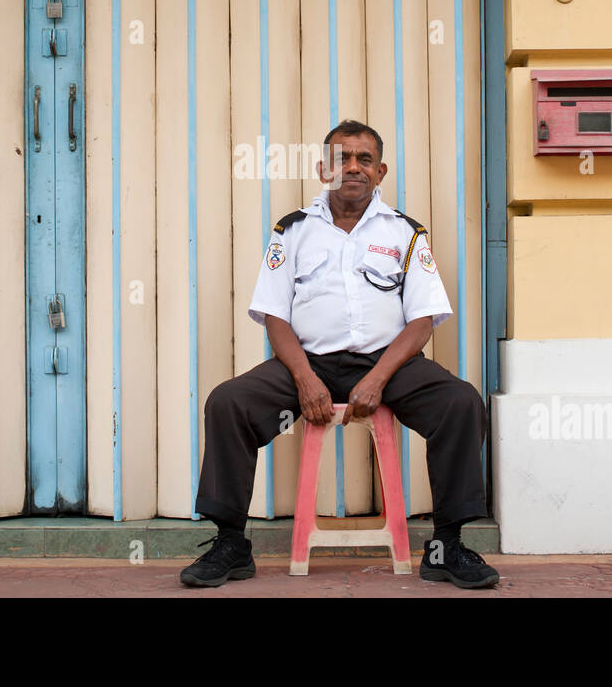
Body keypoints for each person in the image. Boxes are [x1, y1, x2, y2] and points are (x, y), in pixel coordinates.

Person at [180, 119, 499, 589]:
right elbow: (275, 315)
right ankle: (231, 543)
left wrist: (377, 380)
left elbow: (422, 320)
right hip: (308, 362)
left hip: (389, 364)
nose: (352, 167)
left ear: (381, 171)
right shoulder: (292, 232)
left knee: (461, 402)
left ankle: (445, 546)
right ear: (322, 169)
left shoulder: (405, 233)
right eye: (341, 159)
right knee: (228, 402)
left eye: (364, 159)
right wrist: (306, 379)